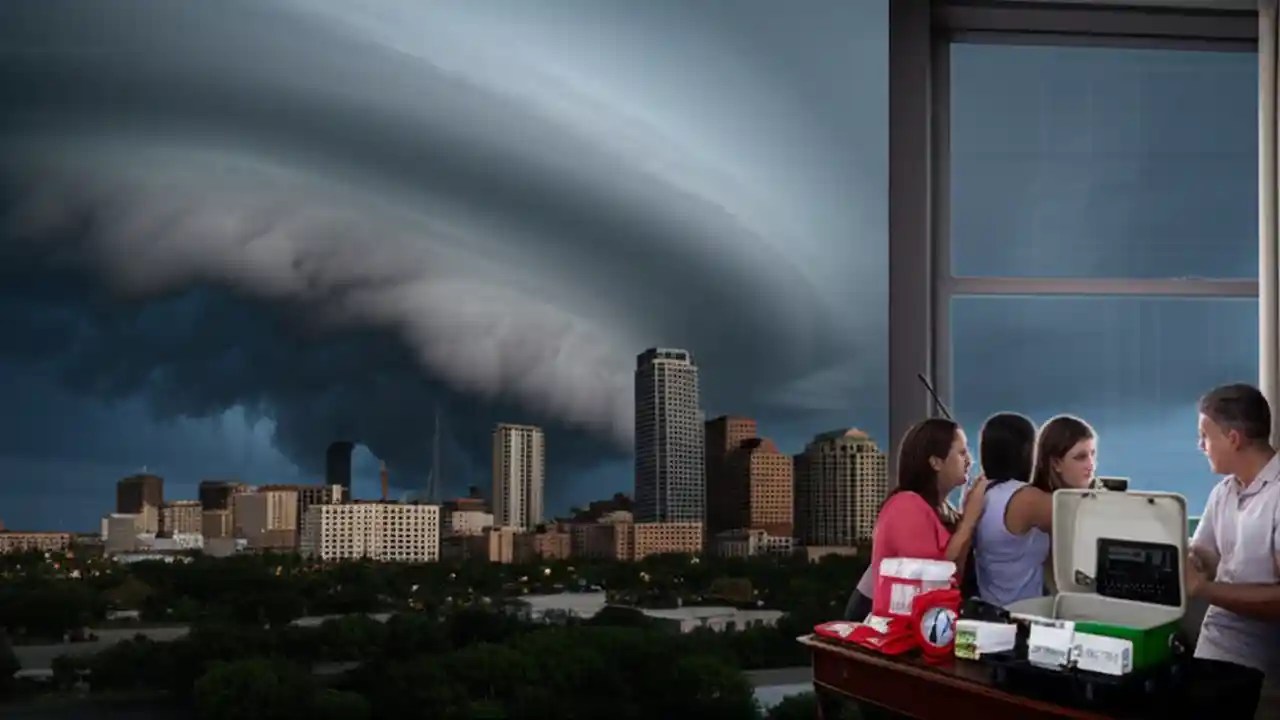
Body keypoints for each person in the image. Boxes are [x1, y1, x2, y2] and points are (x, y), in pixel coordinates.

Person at [1183, 383, 1280, 719]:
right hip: (1216, 646)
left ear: (1234, 438)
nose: (1201, 446)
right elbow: (1206, 557)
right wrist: (1188, 559)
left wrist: (1202, 588)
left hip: (1261, 659)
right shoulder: (1223, 492)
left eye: (1205, 436)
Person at [865, 418, 989, 606]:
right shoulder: (906, 506)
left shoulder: (944, 510)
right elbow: (932, 581)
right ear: (936, 462)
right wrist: (969, 519)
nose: (970, 461)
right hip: (909, 621)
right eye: (962, 453)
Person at [972, 412, 1050, 606]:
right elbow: (1077, 524)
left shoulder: (978, 492)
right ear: (1026, 451)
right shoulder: (1027, 498)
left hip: (989, 610)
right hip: (1025, 613)